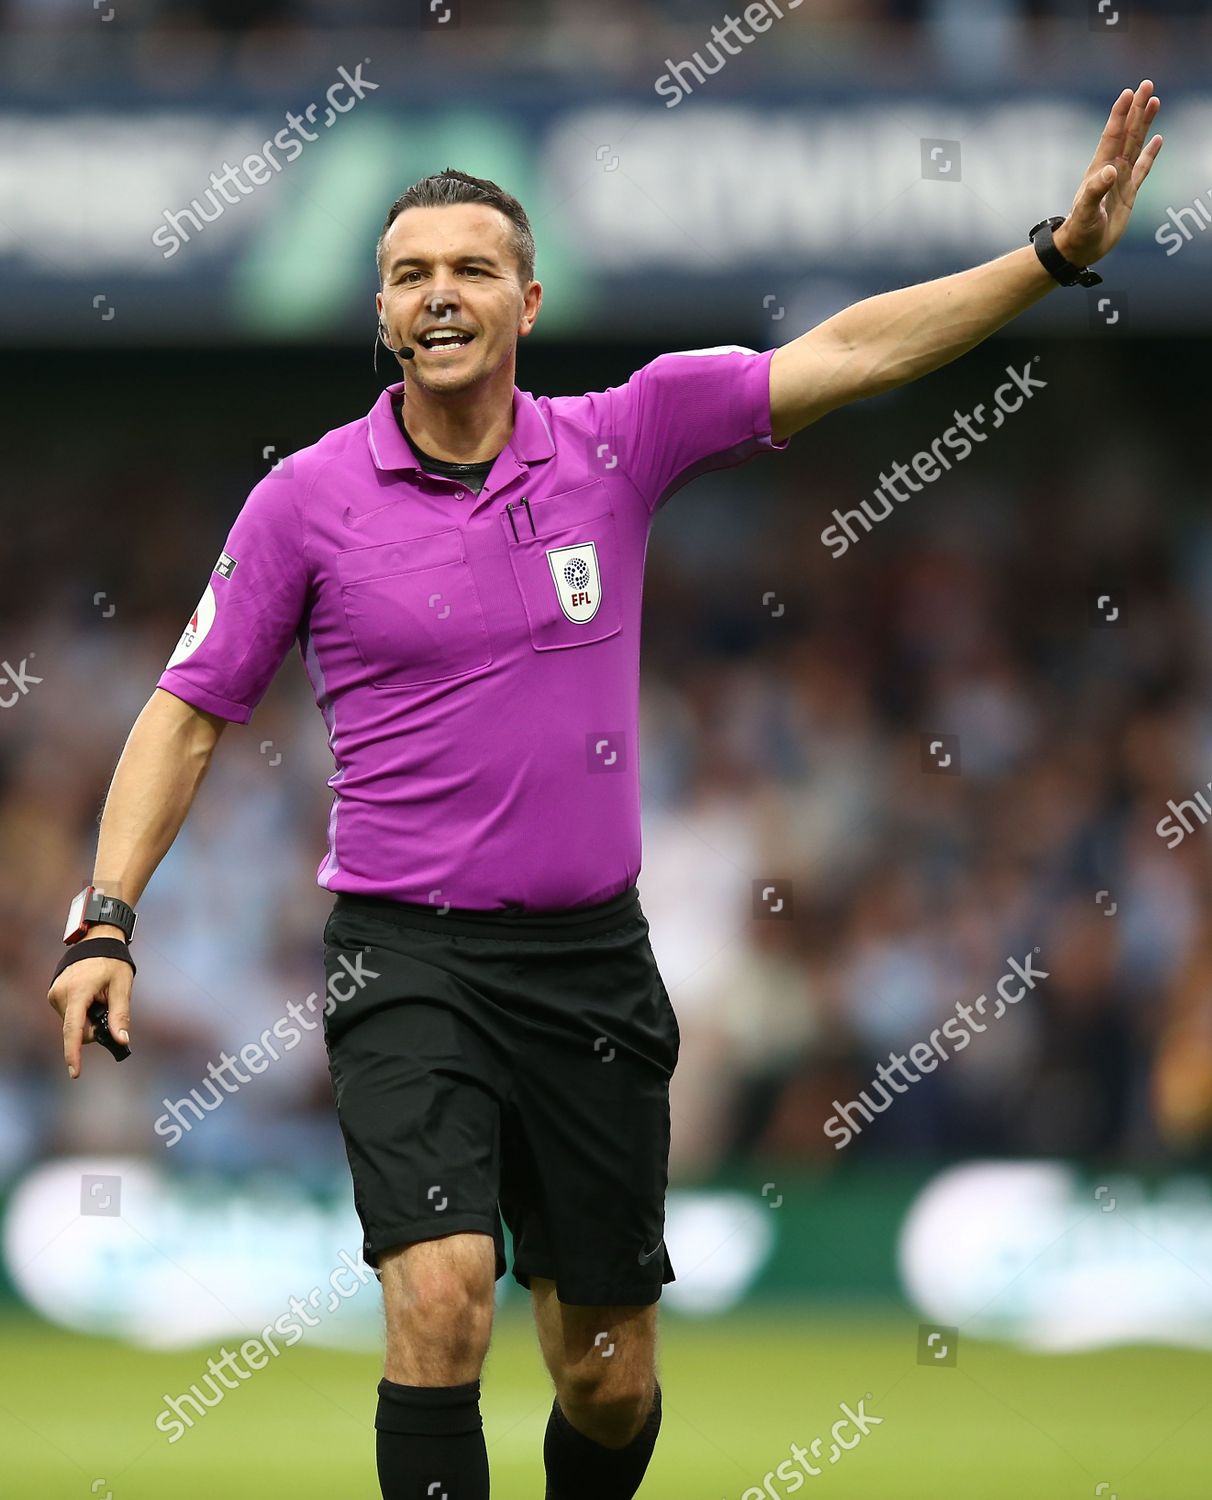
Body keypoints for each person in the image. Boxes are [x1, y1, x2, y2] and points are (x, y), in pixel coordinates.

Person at [47, 81, 1162, 1499]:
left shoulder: (622, 439)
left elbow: (849, 354)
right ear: (380, 313)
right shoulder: (306, 501)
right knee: (439, 1297)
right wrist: (105, 918)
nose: (437, 293)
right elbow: (186, 712)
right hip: (406, 955)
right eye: (408, 275)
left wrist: (1054, 259)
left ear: (528, 296)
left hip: (589, 965)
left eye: (468, 269)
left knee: (609, 1375)